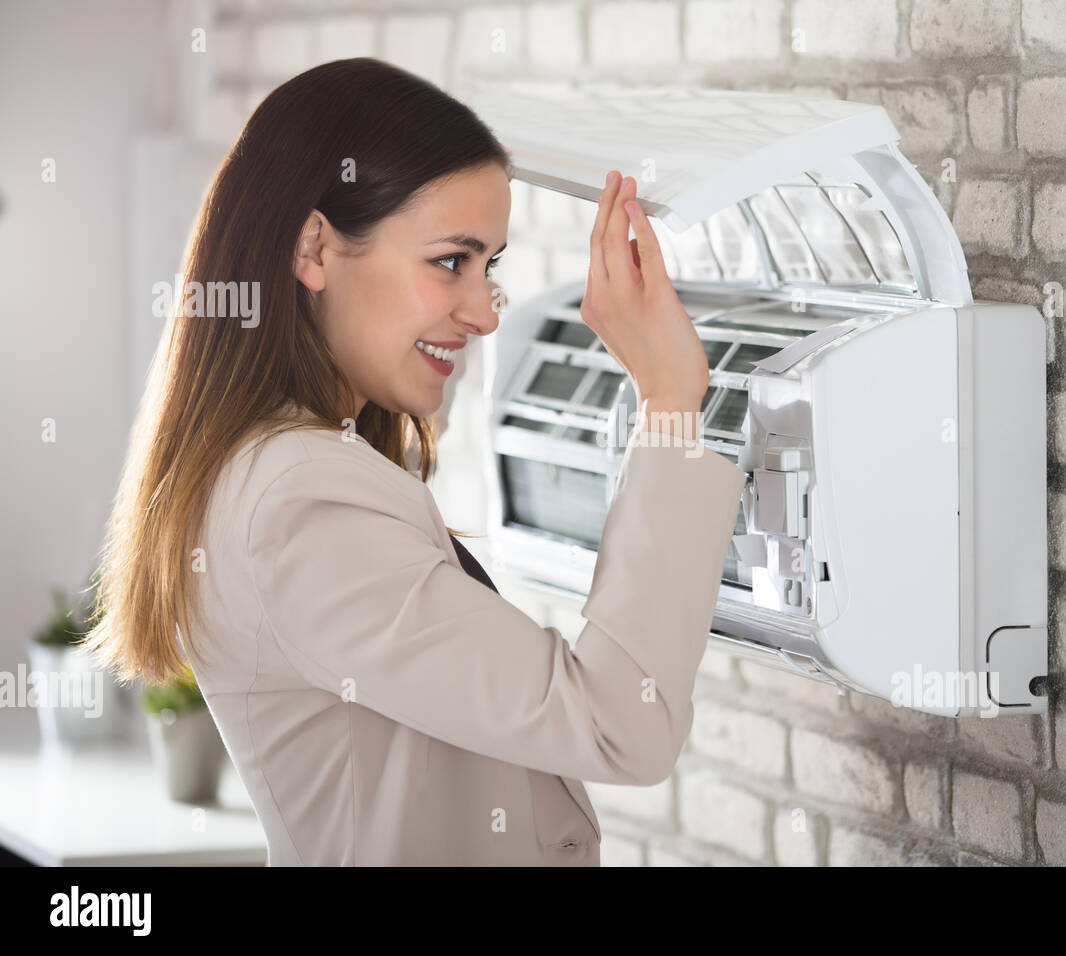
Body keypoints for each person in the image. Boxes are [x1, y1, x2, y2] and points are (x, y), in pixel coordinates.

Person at [81, 58, 746, 866]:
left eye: (489, 265)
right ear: (314, 247)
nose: (483, 312)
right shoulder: (301, 503)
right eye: (449, 261)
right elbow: (620, 723)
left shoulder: (283, 473)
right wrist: (670, 400)